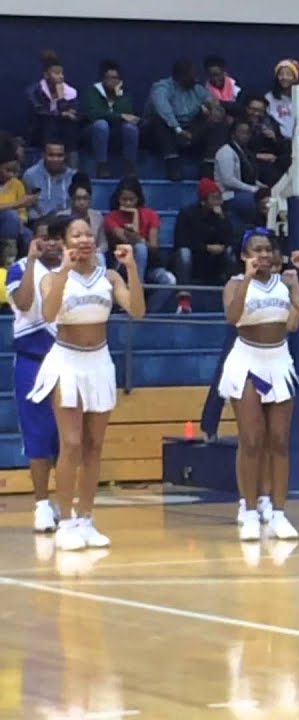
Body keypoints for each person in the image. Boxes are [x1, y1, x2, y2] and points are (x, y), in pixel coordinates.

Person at [31, 217, 144, 550]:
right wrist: (65, 270)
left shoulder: (108, 277)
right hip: (66, 361)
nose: (83, 239)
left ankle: (86, 518)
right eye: (75, 235)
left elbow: (137, 310)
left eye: (86, 234)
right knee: (72, 442)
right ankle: (65, 521)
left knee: (94, 445)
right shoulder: (53, 278)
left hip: (99, 361)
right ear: (66, 243)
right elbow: (49, 315)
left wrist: (132, 268)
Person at [220, 231, 299, 541]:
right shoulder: (235, 284)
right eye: (256, 250)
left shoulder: (285, 283)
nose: (263, 254)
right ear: (244, 256)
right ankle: (249, 509)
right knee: (251, 439)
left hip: (278, 362)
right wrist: (248, 279)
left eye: (267, 250)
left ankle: (278, 512)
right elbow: (232, 317)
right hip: (247, 362)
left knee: (278, 440)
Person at [7, 224, 62, 531]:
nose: (50, 242)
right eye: (44, 237)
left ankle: (67, 505)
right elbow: (25, 304)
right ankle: (41, 504)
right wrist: (30, 260)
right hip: (32, 362)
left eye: (55, 237)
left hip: (68, 361)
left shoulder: (73, 271)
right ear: (34, 240)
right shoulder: (16, 270)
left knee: (67, 438)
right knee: (38, 435)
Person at [83, 60, 140, 178]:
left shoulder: (123, 95)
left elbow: (128, 115)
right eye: (110, 78)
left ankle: (130, 166)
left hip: (117, 132)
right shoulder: (92, 92)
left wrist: (116, 97)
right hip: (94, 132)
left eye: (116, 78)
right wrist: (119, 116)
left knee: (131, 128)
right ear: (103, 79)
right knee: (101, 124)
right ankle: (102, 165)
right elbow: (94, 114)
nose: (113, 81)